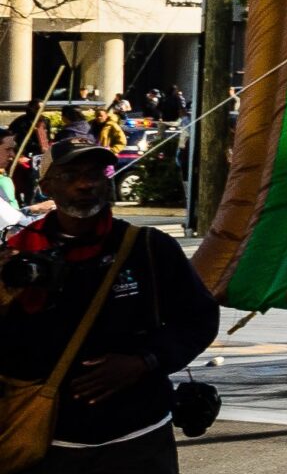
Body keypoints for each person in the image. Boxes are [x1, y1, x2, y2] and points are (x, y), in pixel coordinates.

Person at [0, 137, 220, 472]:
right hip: (48, 439)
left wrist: (144, 361)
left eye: (95, 173)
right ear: (47, 187)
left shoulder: (148, 247)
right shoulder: (18, 255)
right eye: (70, 174)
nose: (85, 183)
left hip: (139, 436)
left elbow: (199, 319)